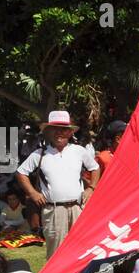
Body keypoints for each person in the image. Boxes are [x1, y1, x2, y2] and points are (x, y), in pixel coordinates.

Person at [15, 110, 98, 257]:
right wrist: (33, 193)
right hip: (53, 211)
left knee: (81, 250)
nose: (59, 133)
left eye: (64, 129)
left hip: (78, 208)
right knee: (55, 254)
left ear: (70, 132)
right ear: (48, 132)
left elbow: (95, 168)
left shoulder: (79, 151)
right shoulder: (39, 154)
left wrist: (91, 188)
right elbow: (21, 172)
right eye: (55, 129)